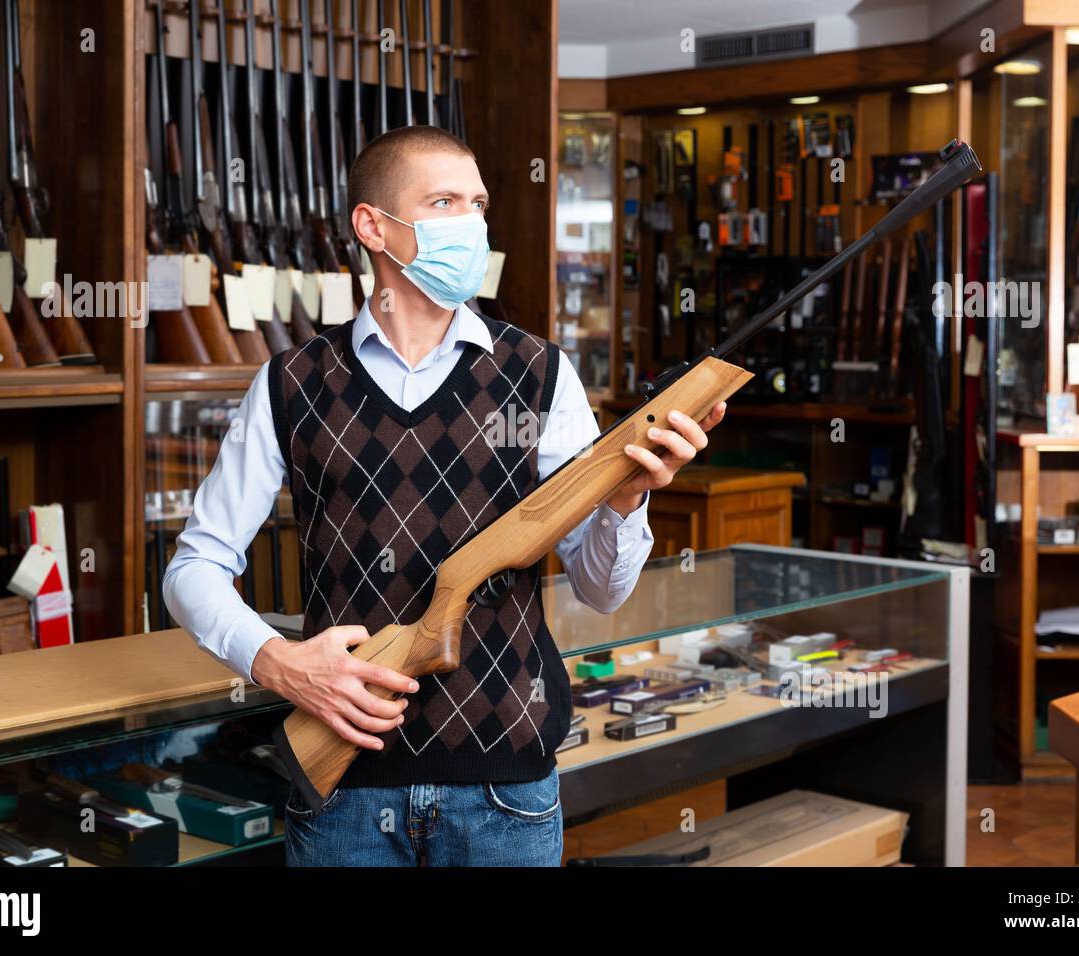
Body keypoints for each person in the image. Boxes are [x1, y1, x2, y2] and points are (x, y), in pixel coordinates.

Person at [164, 124, 724, 866]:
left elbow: (601, 591)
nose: (472, 223)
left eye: (479, 204)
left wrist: (627, 502)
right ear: (374, 226)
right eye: (444, 202)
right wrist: (275, 661)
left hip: (506, 794)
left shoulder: (540, 376)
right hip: (346, 792)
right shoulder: (290, 383)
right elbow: (193, 567)